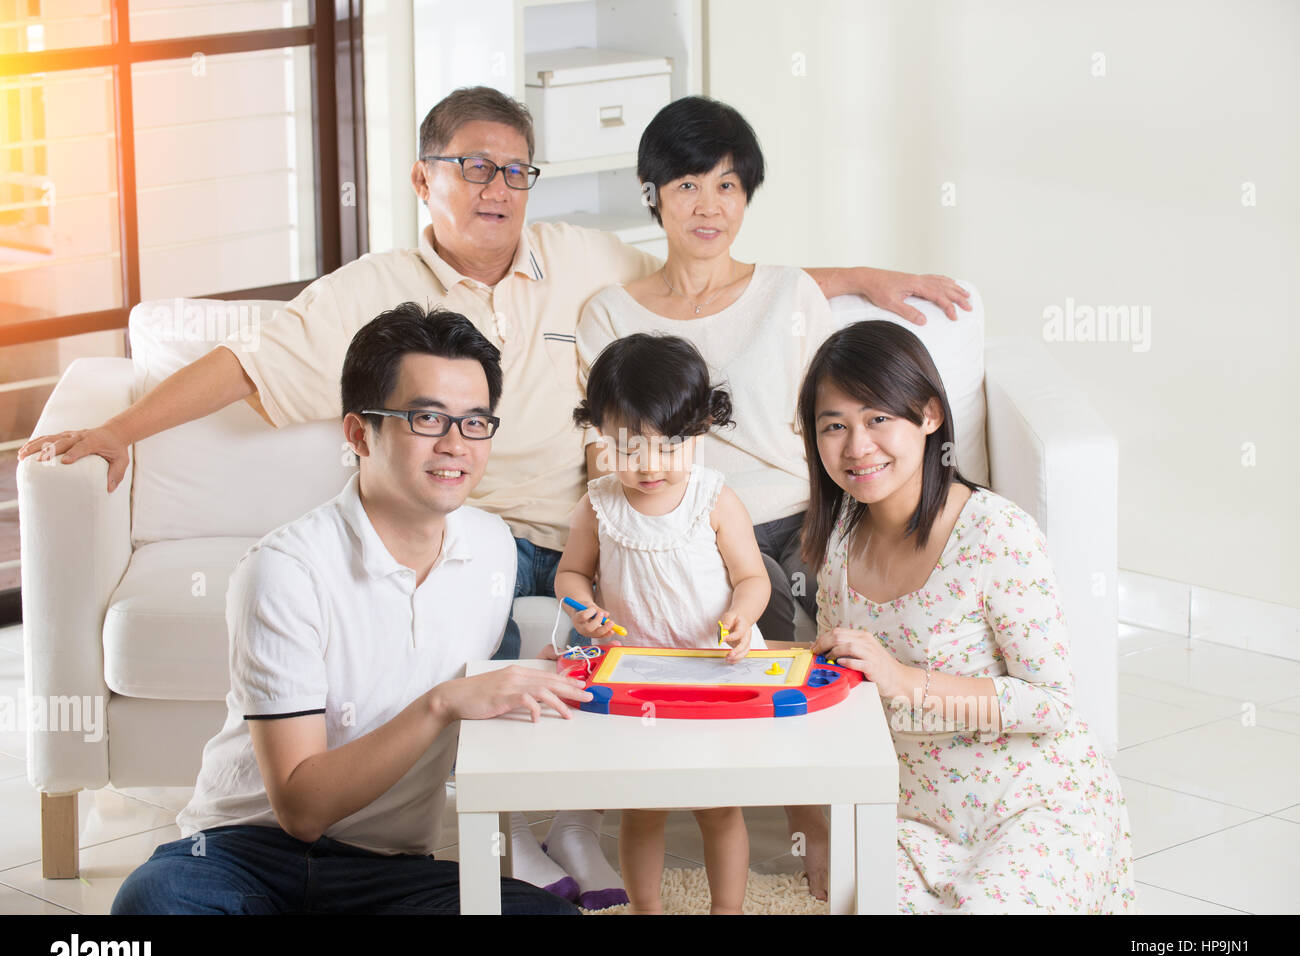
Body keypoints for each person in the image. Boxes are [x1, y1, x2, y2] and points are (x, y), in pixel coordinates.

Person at [20, 84, 968, 904]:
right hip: (492, 536)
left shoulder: (584, 260)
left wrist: (860, 283)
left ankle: (623, 824)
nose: (495, 188)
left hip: (605, 523)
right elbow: (244, 363)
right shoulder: (376, 288)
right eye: (471, 166)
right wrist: (114, 434)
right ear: (421, 179)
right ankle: (552, 822)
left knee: (701, 620)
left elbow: (710, 272)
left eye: (515, 171)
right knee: (513, 628)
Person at [112, 304, 591, 915]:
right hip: (242, 859)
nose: (455, 445)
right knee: (155, 903)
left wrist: (549, 676)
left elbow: (570, 589)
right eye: (426, 418)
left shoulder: (494, 548)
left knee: (544, 915)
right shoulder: (285, 569)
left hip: (388, 874)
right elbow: (302, 811)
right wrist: (442, 704)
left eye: (475, 423)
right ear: (360, 434)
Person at [576, 95, 916, 899]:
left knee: (795, 615)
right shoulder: (607, 315)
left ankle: (819, 820)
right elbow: (602, 447)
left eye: (729, 186)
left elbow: (821, 423)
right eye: (689, 183)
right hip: (668, 514)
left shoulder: (790, 293)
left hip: (794, 514)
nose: (709, 205)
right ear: (651, 191)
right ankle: (705, 802)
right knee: (725, 616)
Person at [800, 320, 1137, 913]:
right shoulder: (838, 542)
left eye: (879, 418)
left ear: (928, 415)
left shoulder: (995, 533)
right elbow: (842, 696)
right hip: (914, 821)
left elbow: (1052, 702)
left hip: (1030, 802)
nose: (857, 446)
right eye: (835, 426)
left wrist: (905, 681)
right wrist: (823, 832)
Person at [554, 334, 770, 914]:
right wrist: (584, 609)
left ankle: (727, 909)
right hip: (636, 676)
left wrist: (740, 615)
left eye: (670, 445)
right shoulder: (598, 504)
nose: (649, 465)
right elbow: (570, 575)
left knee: (718, 806)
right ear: (597, 432)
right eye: (628, 448)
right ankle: (645, 908)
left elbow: (754, 579)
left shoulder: (714, 499)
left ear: (701, 429)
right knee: (641, 805)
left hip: (709, 671)